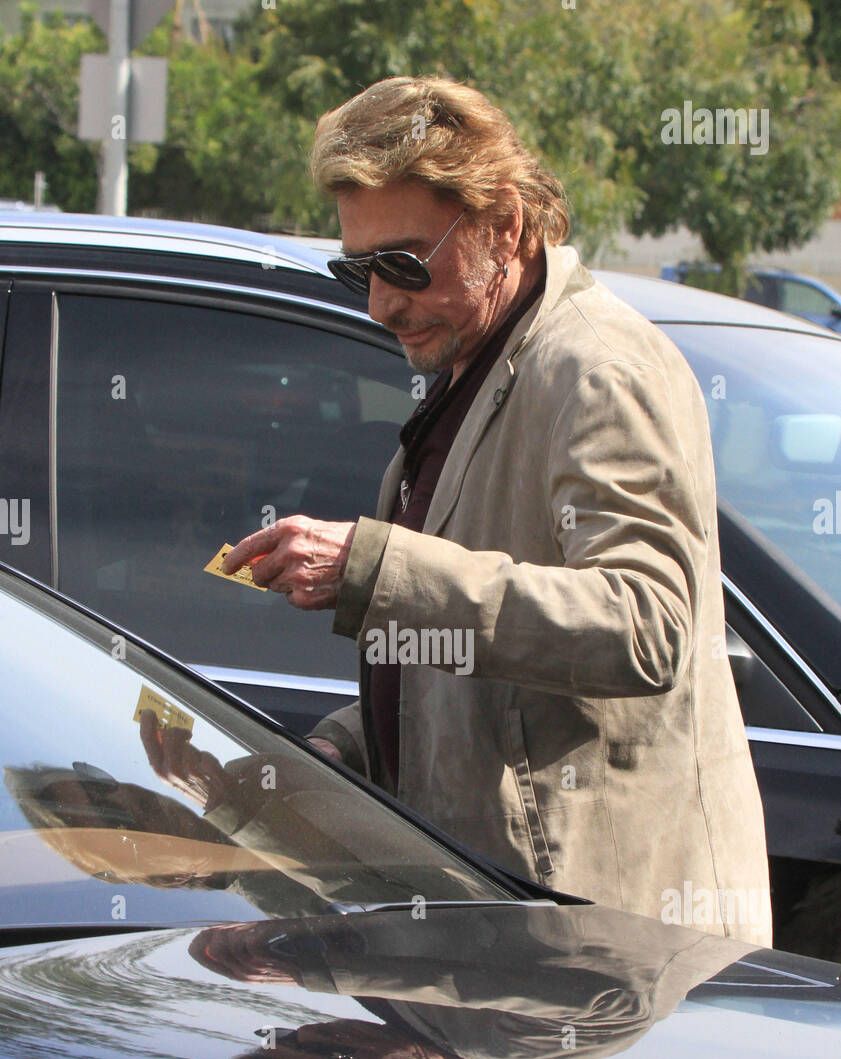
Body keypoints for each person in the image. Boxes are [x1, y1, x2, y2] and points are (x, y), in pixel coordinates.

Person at [223, 75, 771, 947]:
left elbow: (648, 627)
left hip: (601, 957)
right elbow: (464, 666)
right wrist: (336, 755)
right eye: (358, 270)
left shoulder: (594, 369)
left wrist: (374, 567)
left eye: (403, 264)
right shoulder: (476, 368)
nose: (380, 303)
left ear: (503, 224)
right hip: (502, 939)